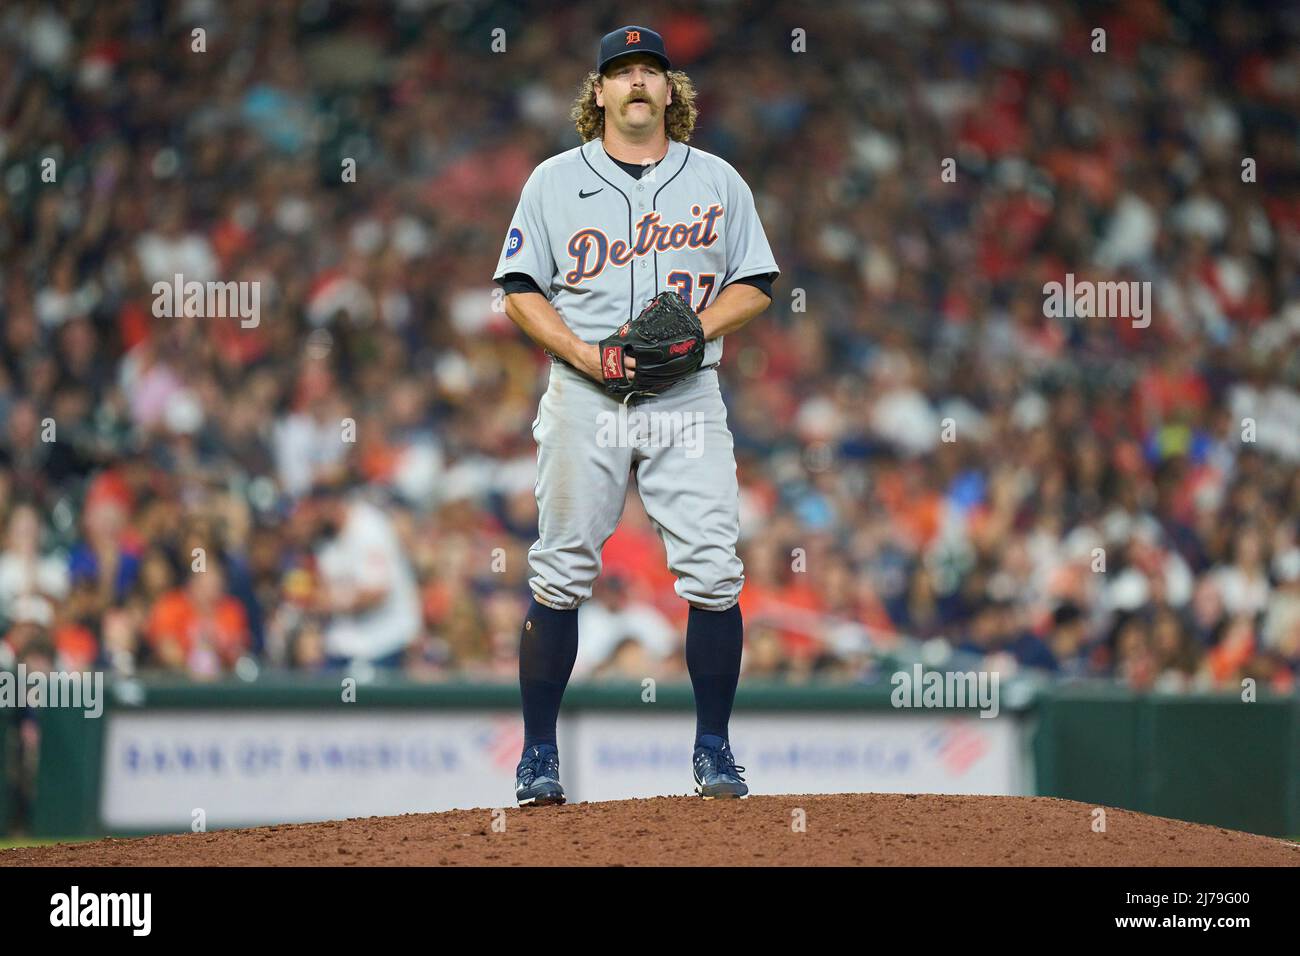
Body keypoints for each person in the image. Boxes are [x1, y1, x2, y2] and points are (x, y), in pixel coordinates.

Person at [494, 26, 779, 805]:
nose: (635, 83)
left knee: (716, 574)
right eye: (620, 72)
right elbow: (520, 288)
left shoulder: (718, 180)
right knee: (560, 573)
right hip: (586, 395)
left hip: (685, 396)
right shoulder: (553, 181)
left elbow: (755, 282)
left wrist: (699, 328)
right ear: (599, 93)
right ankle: (539, 757)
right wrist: (584, 355)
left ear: (670, 88)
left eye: (649, 70)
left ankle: (715, 752)